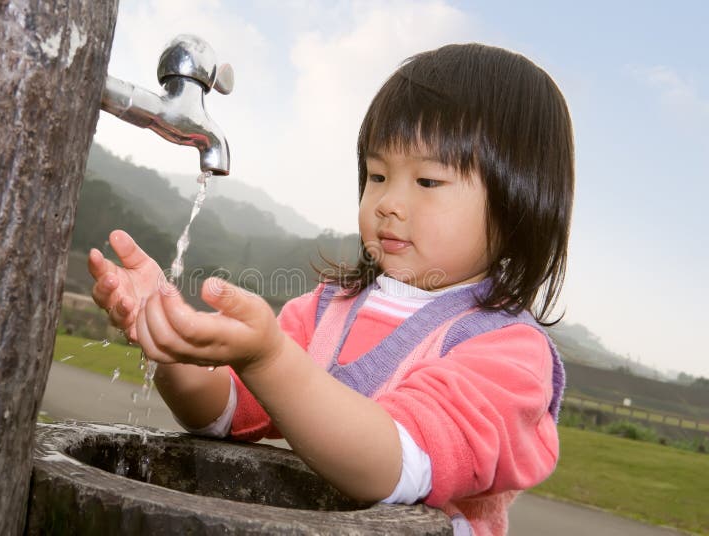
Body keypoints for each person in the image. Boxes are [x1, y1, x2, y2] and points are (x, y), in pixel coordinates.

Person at [88, 43, 573, 536]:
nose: (387, 202)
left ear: (518, 205)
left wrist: (271, 360)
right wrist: (171, 344)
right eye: (378, 175)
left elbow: (392, 466)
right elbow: (222, 414)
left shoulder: (509, 354)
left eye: (427, 181)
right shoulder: (326, 311)